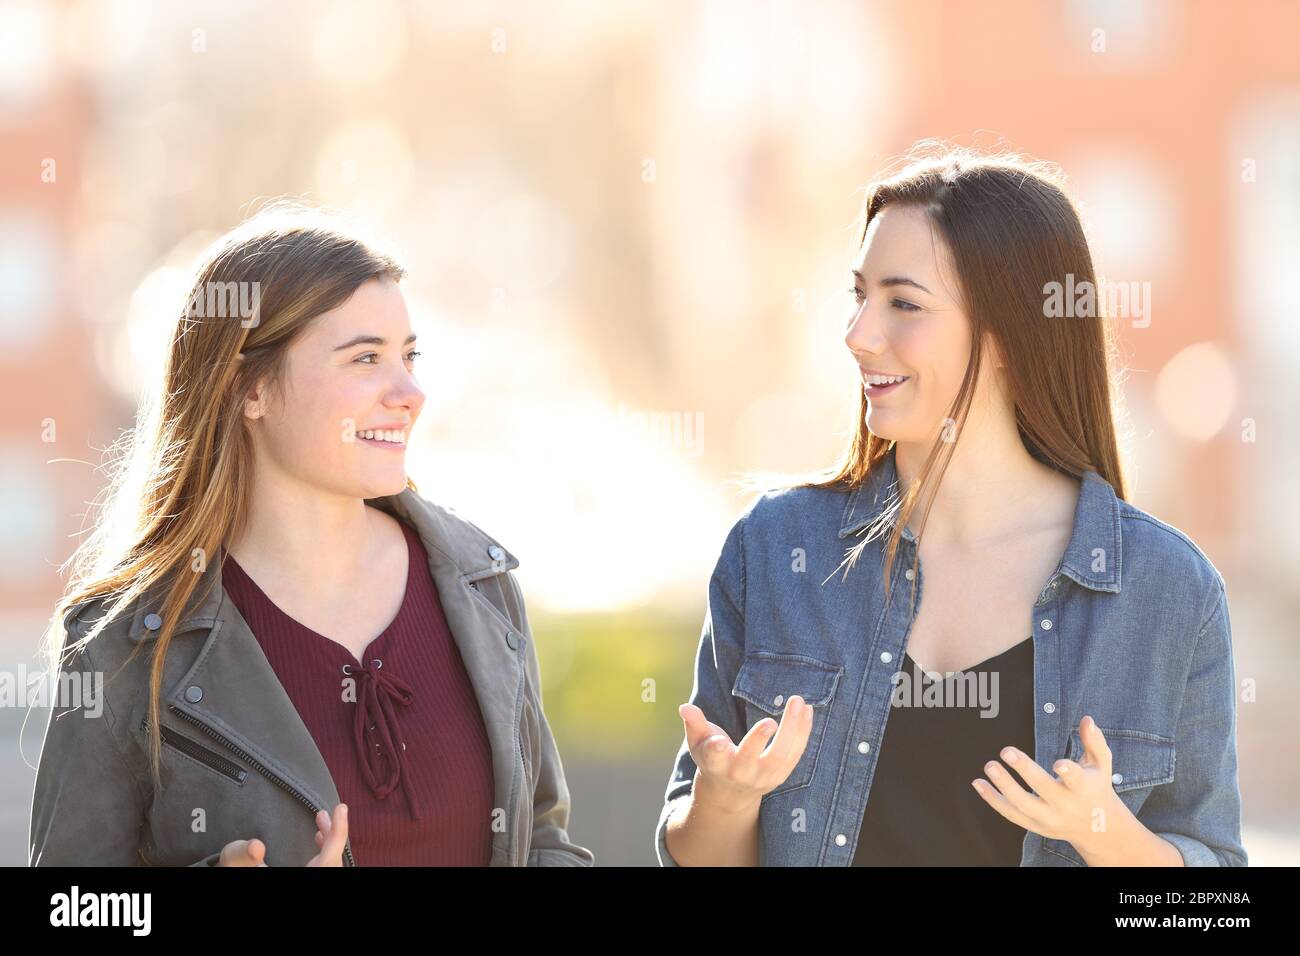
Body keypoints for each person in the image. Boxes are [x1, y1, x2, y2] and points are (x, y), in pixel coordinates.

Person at [655, 146, 1246, 867]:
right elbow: (699, 853)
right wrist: (727, 798)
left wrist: (1108, 836)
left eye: (903, 303)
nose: (858, 335)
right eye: (860, 296)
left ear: (1009, 335)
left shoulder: (1167, 590)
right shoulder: (775, 551)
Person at [29, 202, 593, 867]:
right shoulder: (124, 646)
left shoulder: (480, 583)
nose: (409, 391)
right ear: (250, 389)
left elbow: (545, 843)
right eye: (365, 359)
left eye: (409, 356)